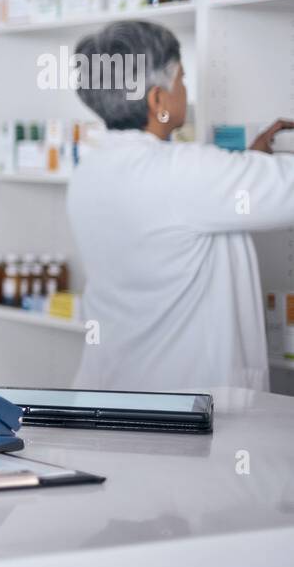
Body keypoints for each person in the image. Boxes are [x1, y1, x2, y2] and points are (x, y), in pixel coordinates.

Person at [67, 19, 294, 391]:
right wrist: (252, 167)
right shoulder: (181, 172)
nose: (186, 91)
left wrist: (247, 164)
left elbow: (188, 200)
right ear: (157, 99)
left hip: (111, 391)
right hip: (183, 405)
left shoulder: (88, 172)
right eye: (183, 80)